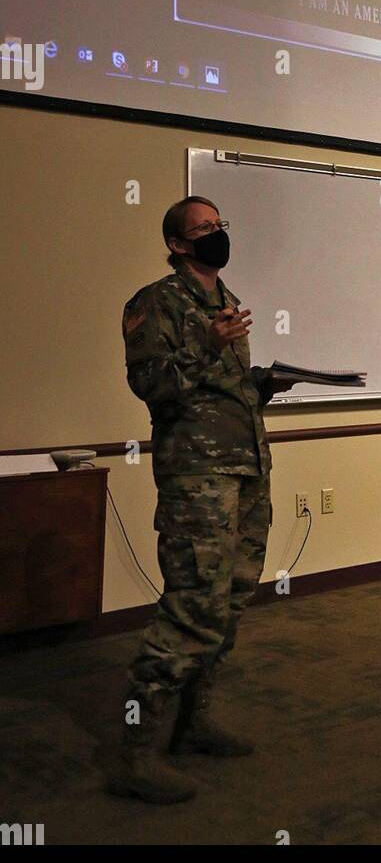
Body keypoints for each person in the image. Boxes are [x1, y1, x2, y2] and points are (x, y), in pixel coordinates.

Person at [107, 196, 291, 804]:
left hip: (246, 469)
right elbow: (151, 384)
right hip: (196, 477)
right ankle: (135, 754)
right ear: (178, 244)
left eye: (220, 225)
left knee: (230, 600)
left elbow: (220, 389)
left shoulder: (226, 302)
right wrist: (208, 346)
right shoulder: (154, 302)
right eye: (204, 228)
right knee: (192, 605)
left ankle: (192, 724)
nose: (217, 234)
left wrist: (262, 383)